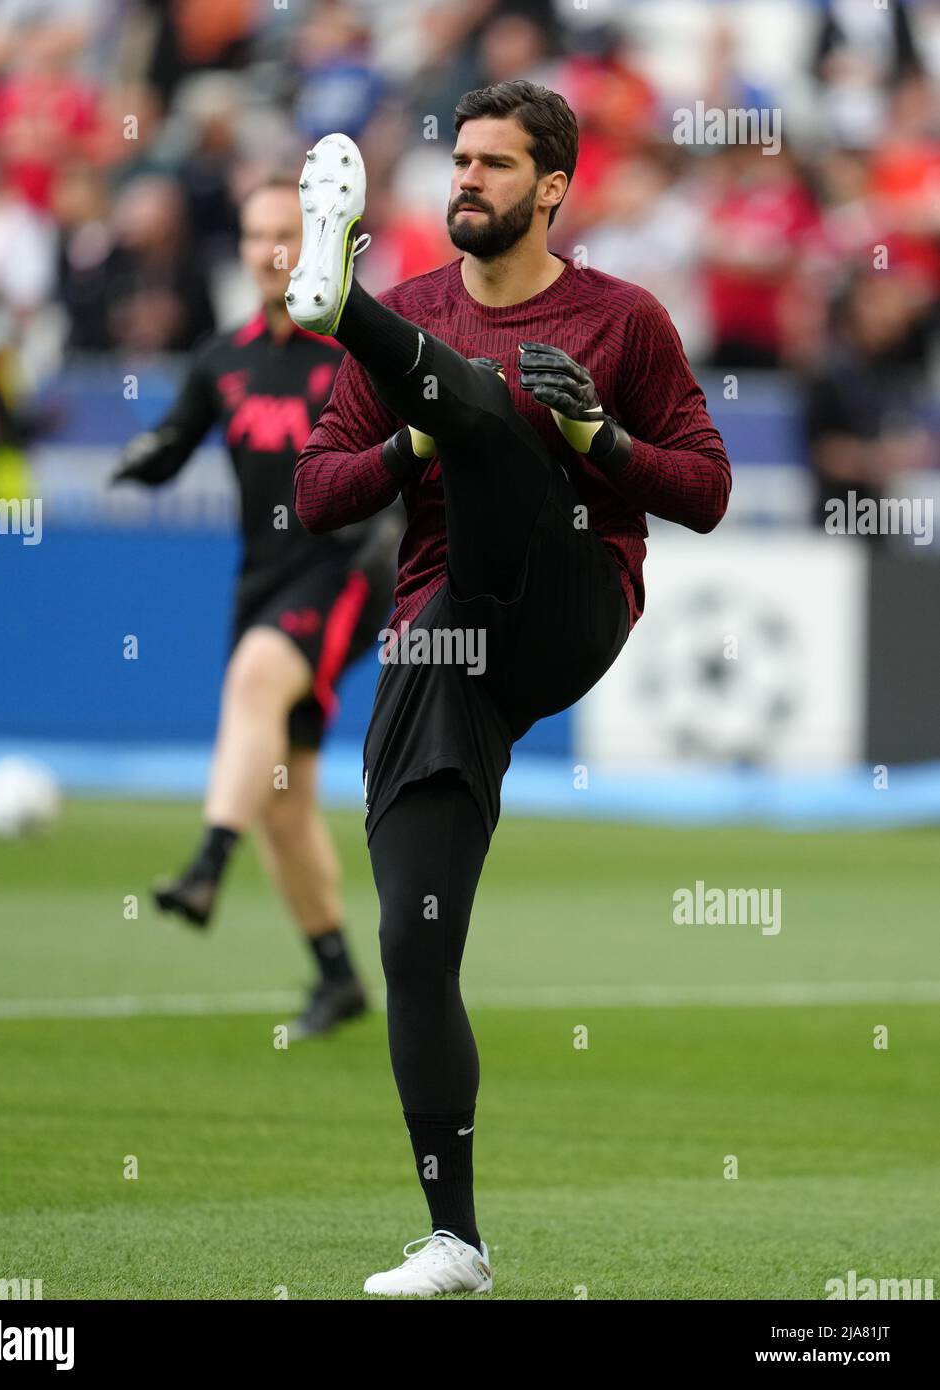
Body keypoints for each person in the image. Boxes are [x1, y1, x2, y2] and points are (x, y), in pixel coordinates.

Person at [289, 80, 731, 1294]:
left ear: (552, 187)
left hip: (569, 600)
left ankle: (339, 305)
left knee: (479, 402)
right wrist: (404, 448)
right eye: (459, 159)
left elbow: (705, 488)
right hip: (444, 635)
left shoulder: (621, 318)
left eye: (493, 163)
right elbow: (319, 491)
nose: (466, 179)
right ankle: (456, 1240)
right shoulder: (430, 314)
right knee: (413, 942)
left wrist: (601, 445)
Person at [113, 174, 402, 1040]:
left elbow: (422, 442)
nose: (269, 250)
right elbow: (176, 443)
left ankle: (205, 865)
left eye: (287, 233)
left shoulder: (355, 352)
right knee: (284, 795)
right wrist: (146, 455)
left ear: (316, 243)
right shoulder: (223, 358)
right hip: (264, 577)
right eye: (253, 235)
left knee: (252, 682)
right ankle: (338, 976)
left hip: (348, 567)